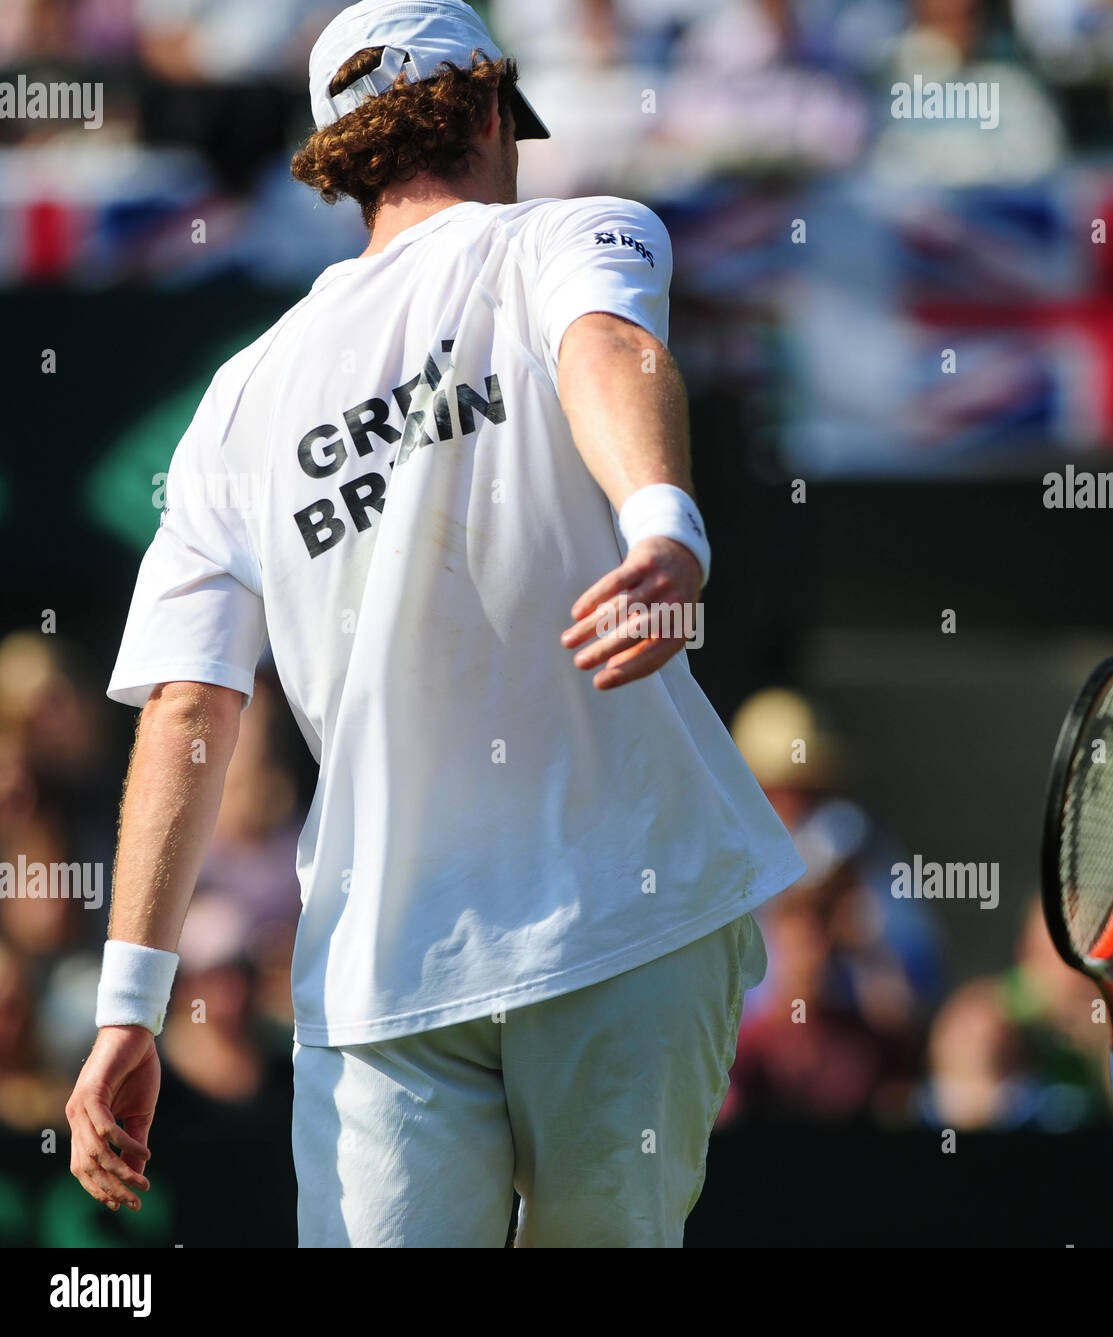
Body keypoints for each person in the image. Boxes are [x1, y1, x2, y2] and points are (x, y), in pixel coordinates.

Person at [64, 0, 803, 1248]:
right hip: (621, 922)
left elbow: (191, 708)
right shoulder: (579, 230)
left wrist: (128, 1007)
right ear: (485, 110)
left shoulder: (237, 396)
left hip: (382, 973)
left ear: (342, 161)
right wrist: (664, 522)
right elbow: (609, 344)